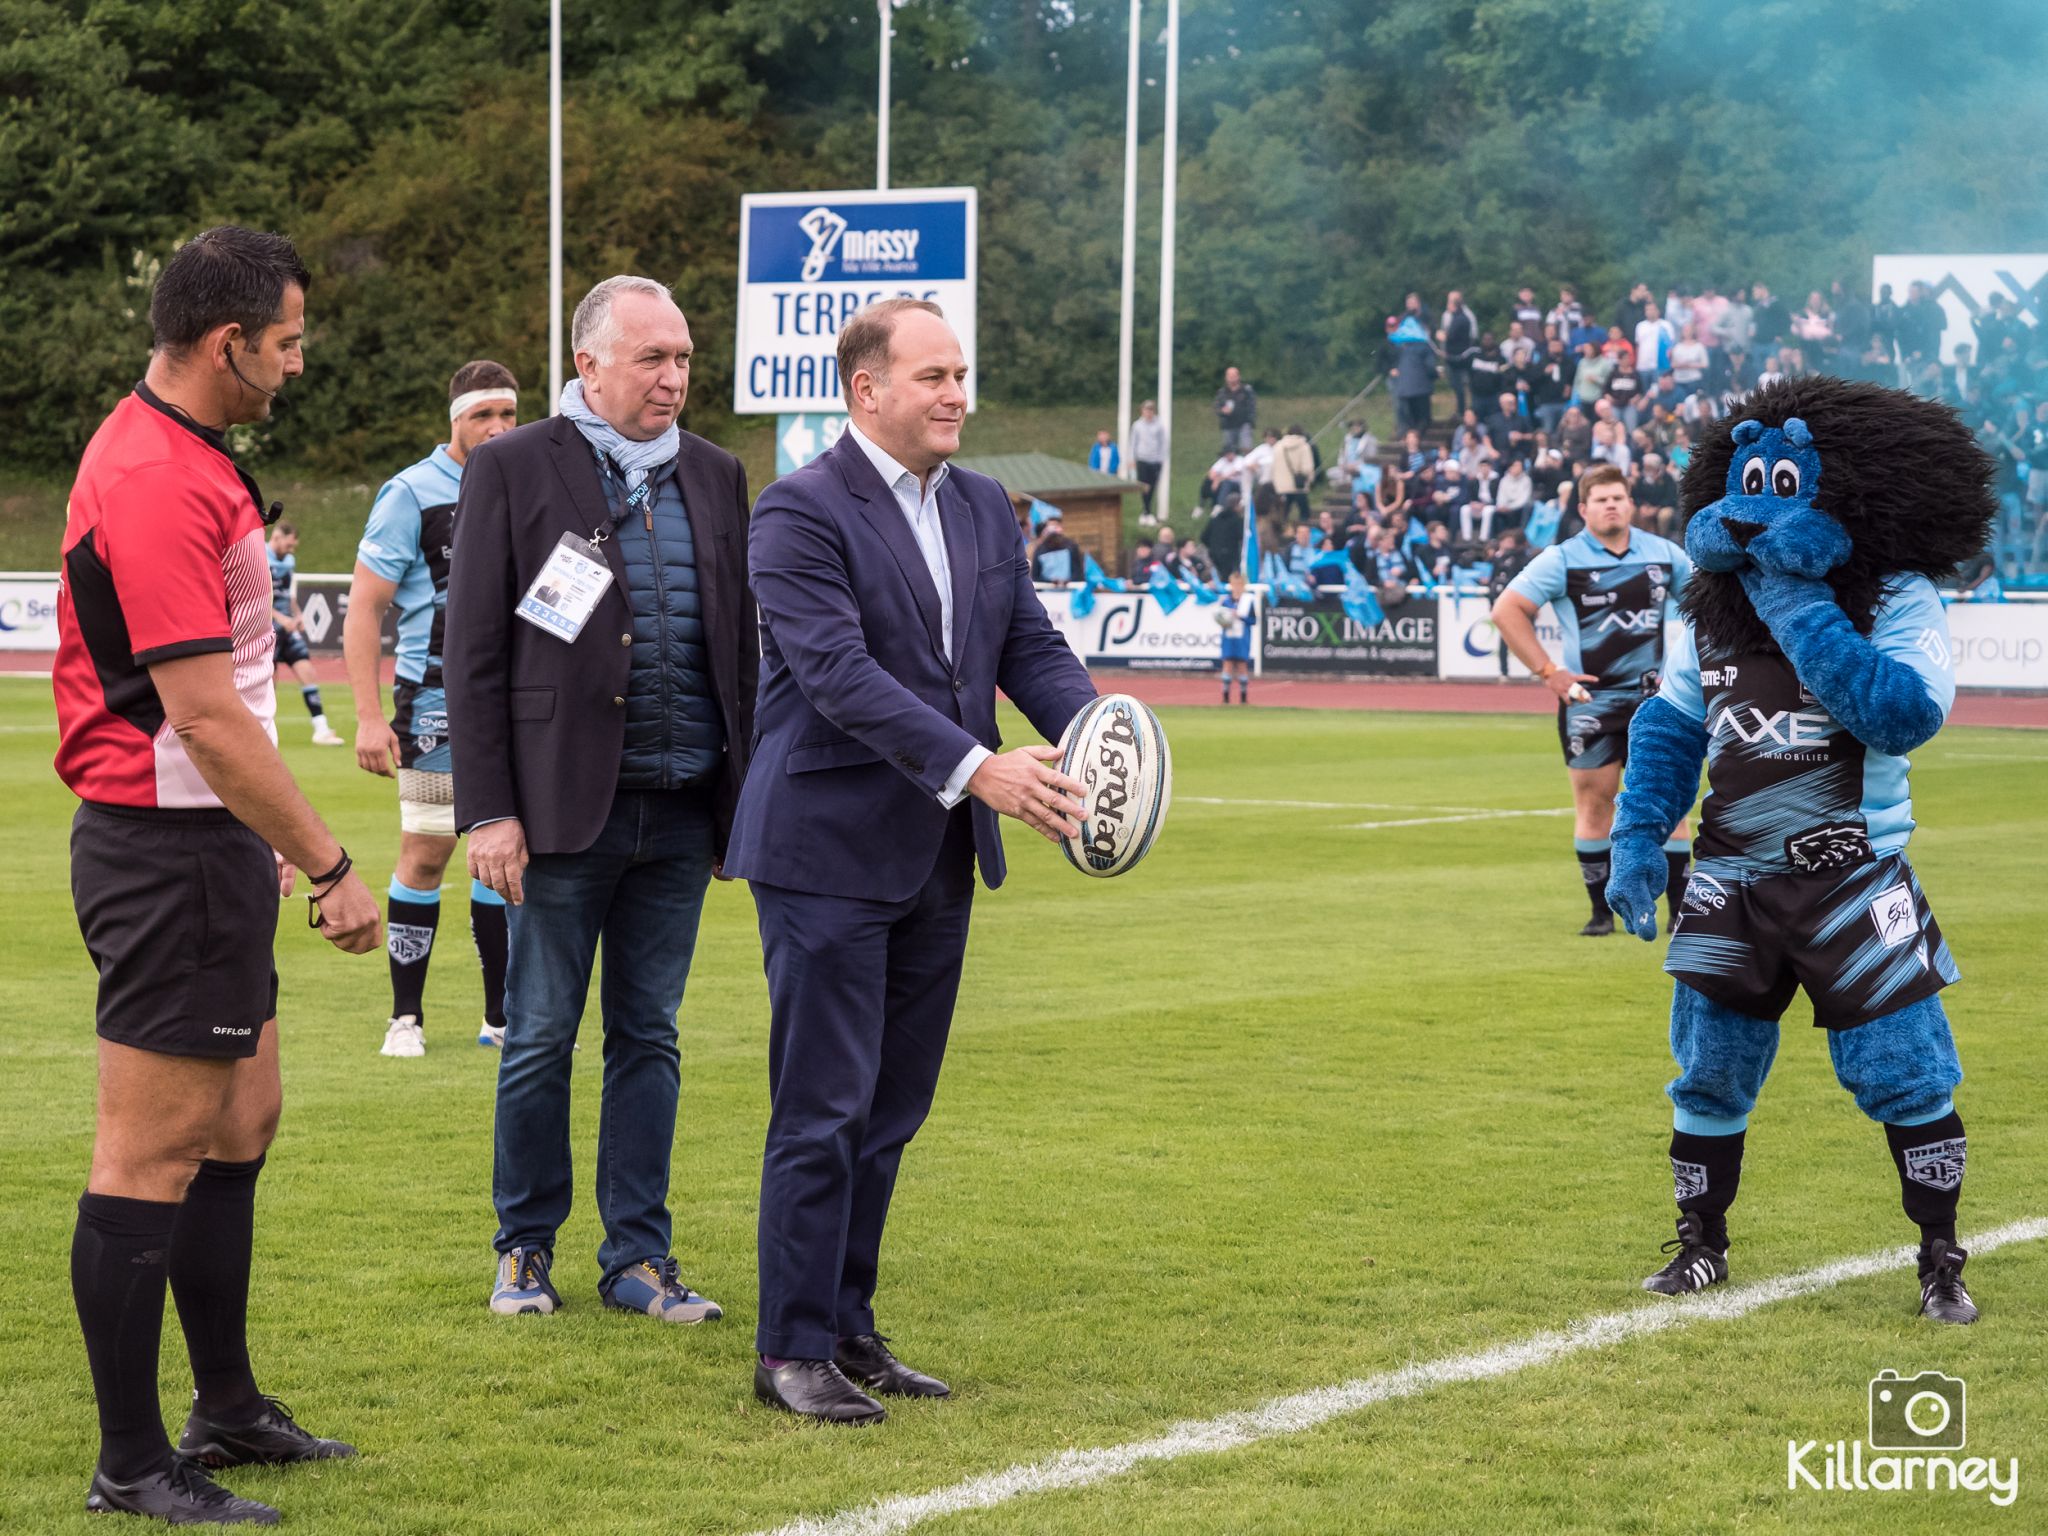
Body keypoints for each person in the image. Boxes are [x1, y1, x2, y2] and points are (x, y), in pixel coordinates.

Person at [52, 225, 380, 1526]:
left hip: (210, 850)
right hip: (167, 845)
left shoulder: (189, 455)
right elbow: (207, 714)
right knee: (149, 1151)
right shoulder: (152, 477)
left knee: (242, 1122)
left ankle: (227, 1408)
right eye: (287, 342)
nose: (297, 365)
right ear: (225, 340)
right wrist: (332, 862)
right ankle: (131, 1462)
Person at [726, 297, 1098, 1425]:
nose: (954, 395)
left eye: (960, 374)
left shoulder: (986, 503)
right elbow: (838, 677)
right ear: (864, 390)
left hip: (934, 852)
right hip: (824, 848)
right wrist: (980, 769)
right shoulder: (795, 513)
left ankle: (847, 1328)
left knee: (890, 1110)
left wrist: (1098, 738)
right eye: (931, 376)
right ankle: (788, 1349)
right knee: (822, 1108)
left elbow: (1024, 643)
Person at [444, 275, 757, 1325]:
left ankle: (638, 1259)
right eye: (650, 359)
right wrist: (487, 810)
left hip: (680, 809)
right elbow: (474, 656)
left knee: (650, 1035)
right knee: (538, 1036)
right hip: (558, 814)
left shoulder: (716, 474)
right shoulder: (511, 468)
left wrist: (740, 801)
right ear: (587, 366)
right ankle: (524, 1250)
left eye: (681, 360)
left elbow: (738, 646)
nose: (672, 379)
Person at [344, 361, 520, 1058]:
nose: (499, 429)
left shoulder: (526, 476)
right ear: (456, 420)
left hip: (519, 705)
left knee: (506, 858)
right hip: (436, 705)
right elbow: (364, 608)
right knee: (426, 852)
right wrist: (366, 715)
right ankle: (405, 1019)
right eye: (484, 416)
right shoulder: (410, 492)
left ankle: (501, 1021)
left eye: (509, 414)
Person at [1490, 465, 1693, 937]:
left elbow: (1707, 607)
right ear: (1583, 509)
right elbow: (1507, 610)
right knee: (1594, 805)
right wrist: (1548, 671)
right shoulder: (1563, 559)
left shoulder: (1664, 555)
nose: (1612, 505)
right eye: (1601, 499)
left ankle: (1680, 914)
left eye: (1619, 497)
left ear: (1632, 503)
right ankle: (1602, 914)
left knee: (1671, 806)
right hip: (1590, 702)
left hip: (1657, 704)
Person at [263, 523, 345, 746]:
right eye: (288, 545)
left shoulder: (288, 561)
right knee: (268, 683)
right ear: (277, 536)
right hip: (265, 629)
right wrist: (281, 619)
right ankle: (264, 734)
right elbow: (256, 596)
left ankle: (321, 729)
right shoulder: (259, 556)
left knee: (307, 671)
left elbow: (288, 595)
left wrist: (297, 616)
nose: (290, 550)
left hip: (288, 630)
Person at [1217, 569, 1255, 703]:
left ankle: (1243, 699)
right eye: (1234, 584)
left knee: (1242, 666)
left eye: (1239, 584)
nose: (1237, 587)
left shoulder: (1248, 601)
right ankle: (1225, 698)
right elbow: (1219, 619)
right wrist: (1224, 620)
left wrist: (1240, 617)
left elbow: (1253, 620)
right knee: (1227, 664)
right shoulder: (1225, 601)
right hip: (1228, 637)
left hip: (1242, 638)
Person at [1129, 398, 1166, 525]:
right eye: (1146, 410)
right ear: (1142, 411)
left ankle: (1147, 511)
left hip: (1155, 460)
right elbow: (1133, 443)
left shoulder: (1159, 425)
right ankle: (1146, 511)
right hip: (1142, 459)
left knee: (1153, 485)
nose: (1148, 413)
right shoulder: (1137, 425)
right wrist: (1132, 459)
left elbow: (1162, 443)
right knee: (1145, 486)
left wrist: (1161, 459)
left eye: (1150, 410)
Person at [1214, 365, 1256, 452]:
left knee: (1246, 448)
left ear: (1238, 377)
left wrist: (1250, 420)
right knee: (1230, 452)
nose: (1232, 378)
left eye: (1234, 376)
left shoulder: (1247, 390)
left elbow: (1252, 406)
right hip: (1228, 425)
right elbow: (1217, 407)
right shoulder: (1222, 392)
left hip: (1244, 423)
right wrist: (1222, 411)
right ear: (1226, 378)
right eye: (1229, 376)